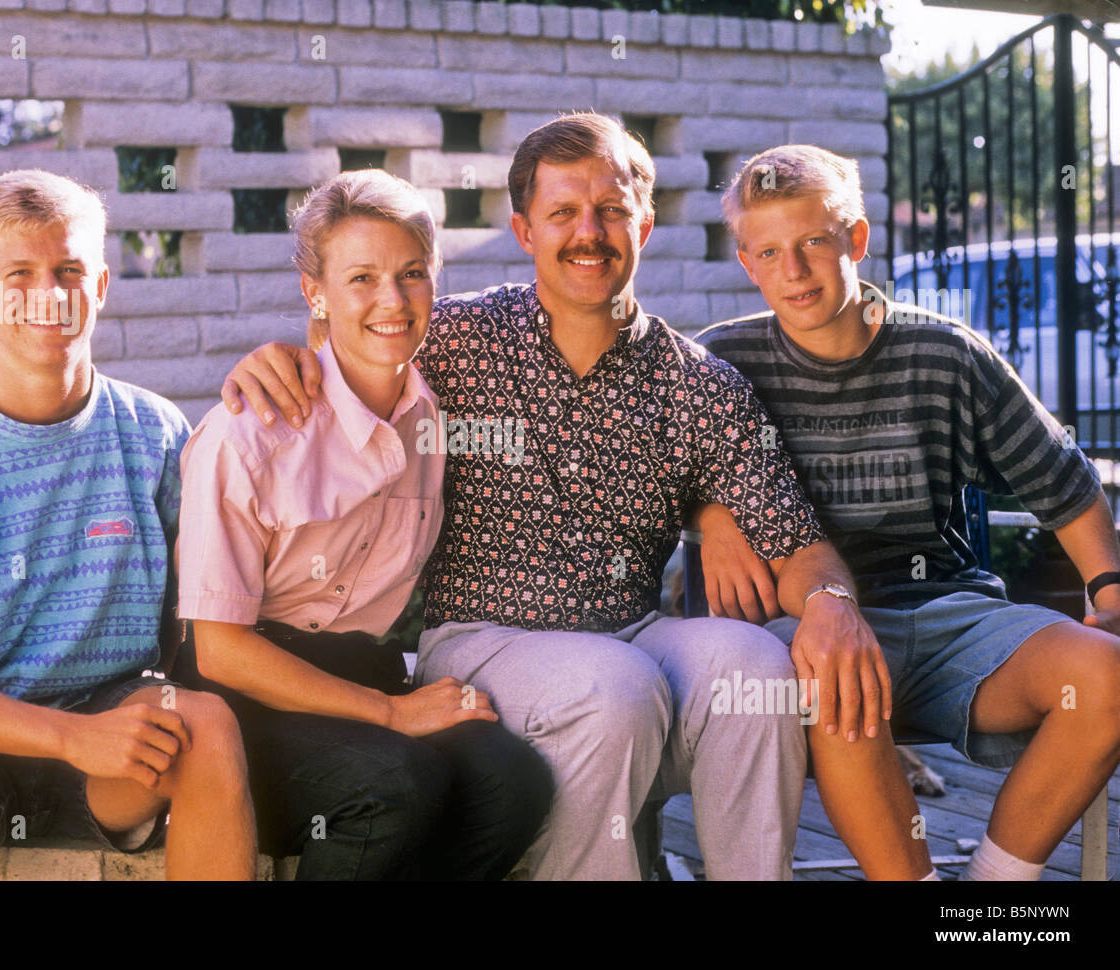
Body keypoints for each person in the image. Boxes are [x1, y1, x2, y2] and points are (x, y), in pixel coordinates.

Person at [220, 113, 896, 881]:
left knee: (756, 667)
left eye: (611, 210)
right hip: (483, 640)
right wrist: (280, 357)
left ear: (643, 220)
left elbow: (798, 543)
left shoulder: (701, 386)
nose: (590, 233)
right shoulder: (453, 340)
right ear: (523, 229)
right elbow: (354, 334)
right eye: (563, 213)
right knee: (613, 687)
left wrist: (831, 601)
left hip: (632, 633)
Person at [694, 143, 1120, 880]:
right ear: (746, 262)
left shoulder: (946, 353)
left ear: (855, 240)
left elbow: (1064, 481)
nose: (793, 270)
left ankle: (992, 887)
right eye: (770, 251)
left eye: (814, 243)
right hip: (800, 634)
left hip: (953, 618)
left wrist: (1111, 592)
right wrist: (710, 516)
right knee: (833, 664)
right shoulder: (718, 364)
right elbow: (641, 477)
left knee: (1111, 676)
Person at [0, 169, 256, 880]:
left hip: (113, 739)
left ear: (100, 286)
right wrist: (72, 738)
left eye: (68, 270)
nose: (49, 294)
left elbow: (210, 606)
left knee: (204, 725)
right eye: (20, 273)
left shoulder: (157, 436)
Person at [174, 169, 553, 880]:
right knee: (392, 788)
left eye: (412, 274)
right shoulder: (247, 433)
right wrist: (388, 713)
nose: (392, 299)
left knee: (513, 784)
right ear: (313, 291)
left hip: (360, 670)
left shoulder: (431, 417)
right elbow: (220, 651)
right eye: (361, 278)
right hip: (244, 696)